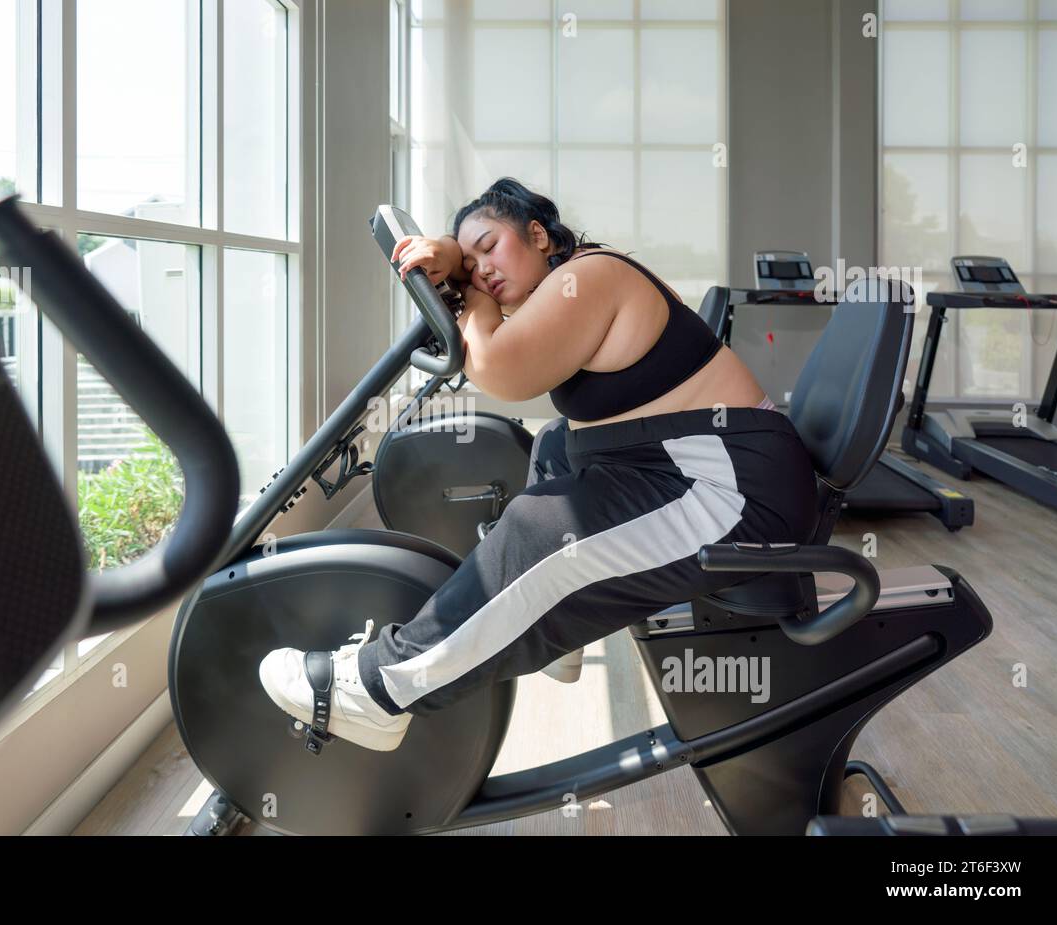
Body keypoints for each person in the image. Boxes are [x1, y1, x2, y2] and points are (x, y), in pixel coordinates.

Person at [258, 177, 819, 751]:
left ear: (537, 234)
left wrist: (470, 293)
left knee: (541, 530)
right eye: (471, 261)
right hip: (686, 464)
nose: (483, 270)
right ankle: (558, 632)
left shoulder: (590, 276)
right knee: (555, 443)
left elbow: (502, 372)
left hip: (736, 487)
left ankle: (378, 692)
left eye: (490, 246)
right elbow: (500, 325)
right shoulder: (563, 286)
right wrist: (455, 255)